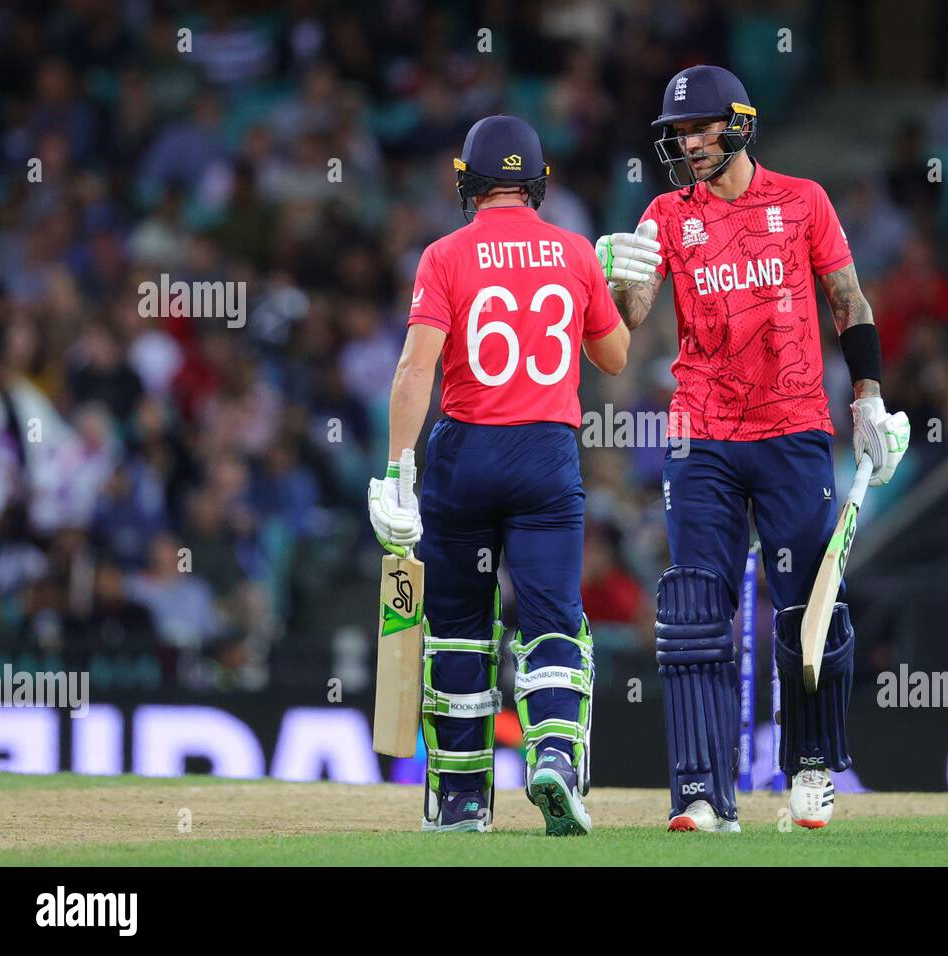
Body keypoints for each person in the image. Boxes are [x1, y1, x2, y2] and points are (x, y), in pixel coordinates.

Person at [595, 65, 910, 831]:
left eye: (700, 128)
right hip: (701, 431)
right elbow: (630, 317)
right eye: (677, 133)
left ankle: (809, 769)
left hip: (795, 428)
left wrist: (868, 395)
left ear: (738, 123)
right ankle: (702, 793)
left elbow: (849, 301)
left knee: (811, 607)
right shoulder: (666, 214)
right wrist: (607, 279)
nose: (689, 144)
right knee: (696, 610)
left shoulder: (804, 200)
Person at [369, 115, 630, 835]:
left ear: (468, 183)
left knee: (457, 630)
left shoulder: (444, 256)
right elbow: (613, 357)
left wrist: (398, 468)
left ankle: (460, 800)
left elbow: (416, 367)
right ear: (537, 182)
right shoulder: (575, 252)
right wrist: (612, 286)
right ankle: (553, 755)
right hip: (546, 456)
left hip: (464, 456)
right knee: (553, 623)